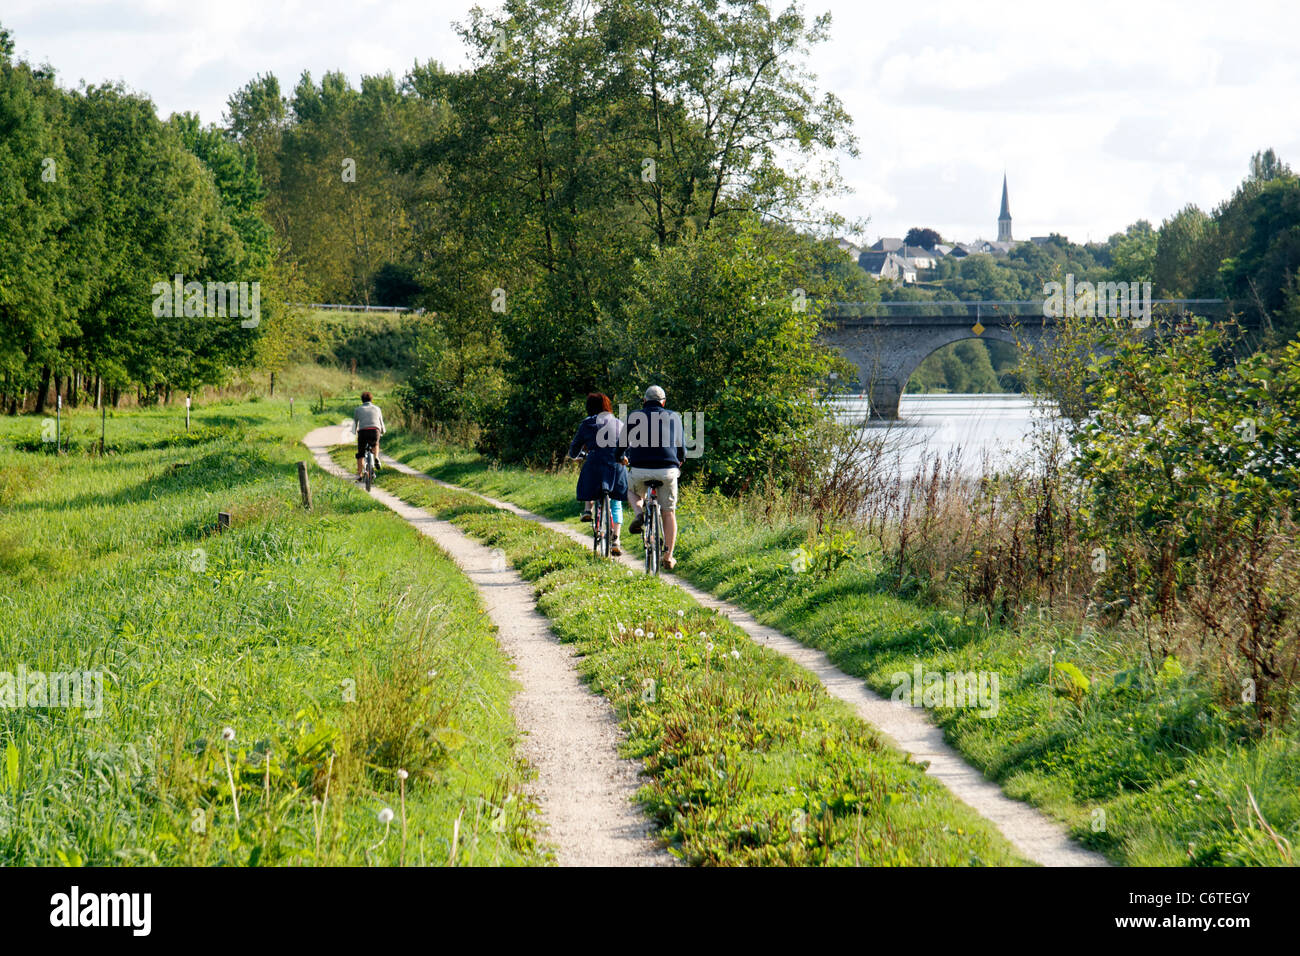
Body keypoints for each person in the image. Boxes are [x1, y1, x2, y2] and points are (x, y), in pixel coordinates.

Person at [623, 384, 685, 570]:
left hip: (640, 468)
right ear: (663, 402)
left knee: (632, 491)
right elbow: (681, 447)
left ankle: (639, 513)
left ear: (644, 401)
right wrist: (680, 459)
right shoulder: (674, 417)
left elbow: (621, 444)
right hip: (667, 470)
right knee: (669, 511)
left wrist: (621, 456)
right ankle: (668, 556)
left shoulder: (634, 416)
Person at [567, 392, 628, 556]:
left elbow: (574, 448)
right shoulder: (619, 423)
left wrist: (575, 456)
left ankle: (588, 510)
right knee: (616, 503)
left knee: (588, 478)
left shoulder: (586, 424)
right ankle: (616, 540)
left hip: (595, 463)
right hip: (616, 464)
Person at [353, 391, 386, 480]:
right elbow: (381, 422)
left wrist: (354, 433)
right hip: (375, 430)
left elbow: (355, 423)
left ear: (362, 400)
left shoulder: (358, 409)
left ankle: (359, 475)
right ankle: (376, 457)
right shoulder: (377, 408)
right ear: (371, 399)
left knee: (360, 454)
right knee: (375, 444)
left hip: (363, 432)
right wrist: (382, 431)